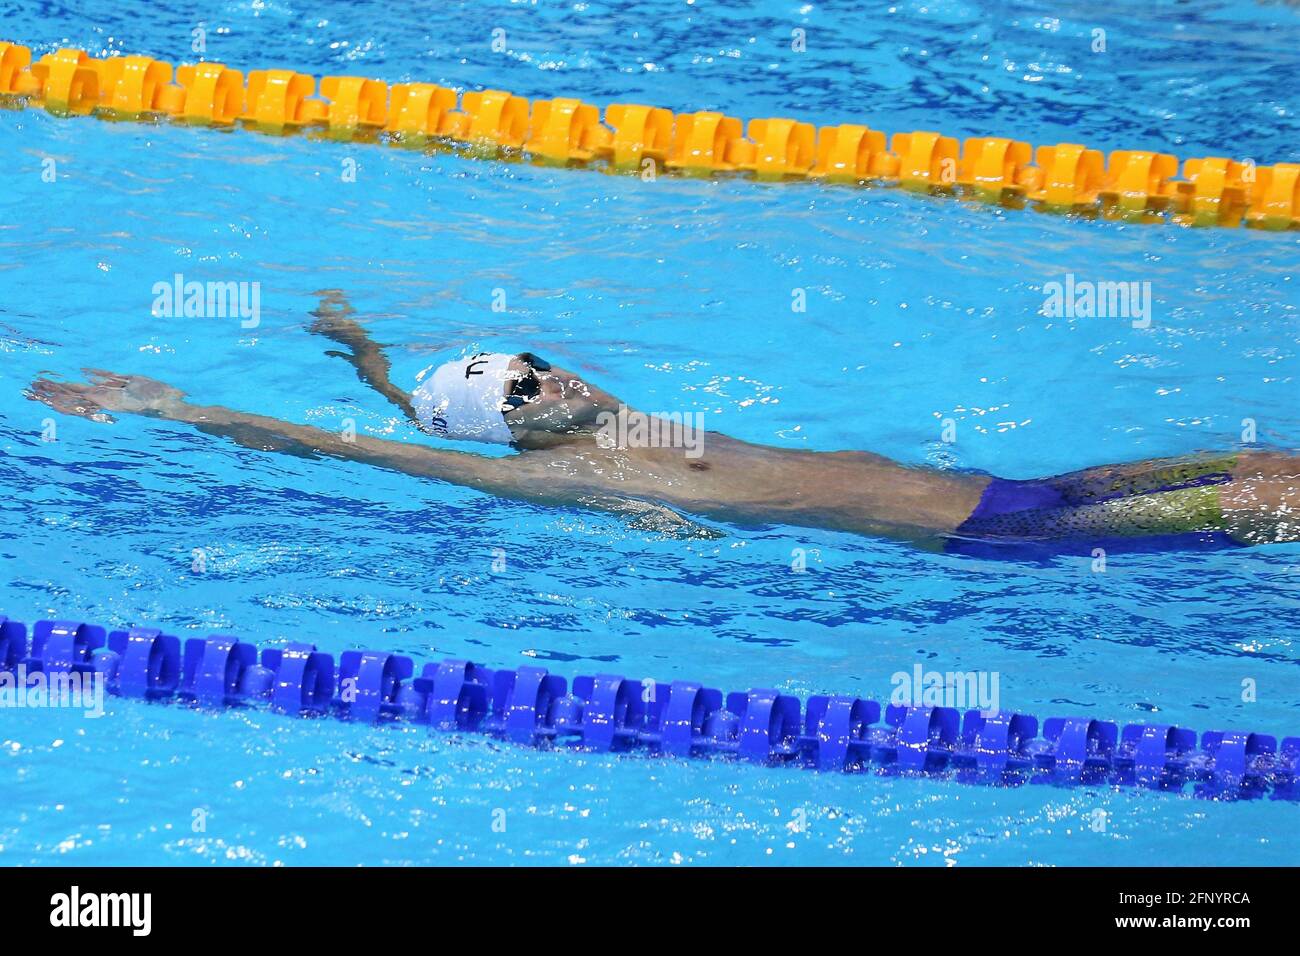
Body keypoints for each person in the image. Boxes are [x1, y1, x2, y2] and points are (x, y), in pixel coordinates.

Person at [27, 292, 1299, 554]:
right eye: (525, 388)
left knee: (1270, 464)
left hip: (1029, 481)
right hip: (994, 539)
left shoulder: (618, 421)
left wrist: (366, 352)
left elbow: (416, 402)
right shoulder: (566, 475)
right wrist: (184, 407)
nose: (552, 377)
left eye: (538, 362)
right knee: (1279, 505)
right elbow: (368, 445)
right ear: (521, 433)